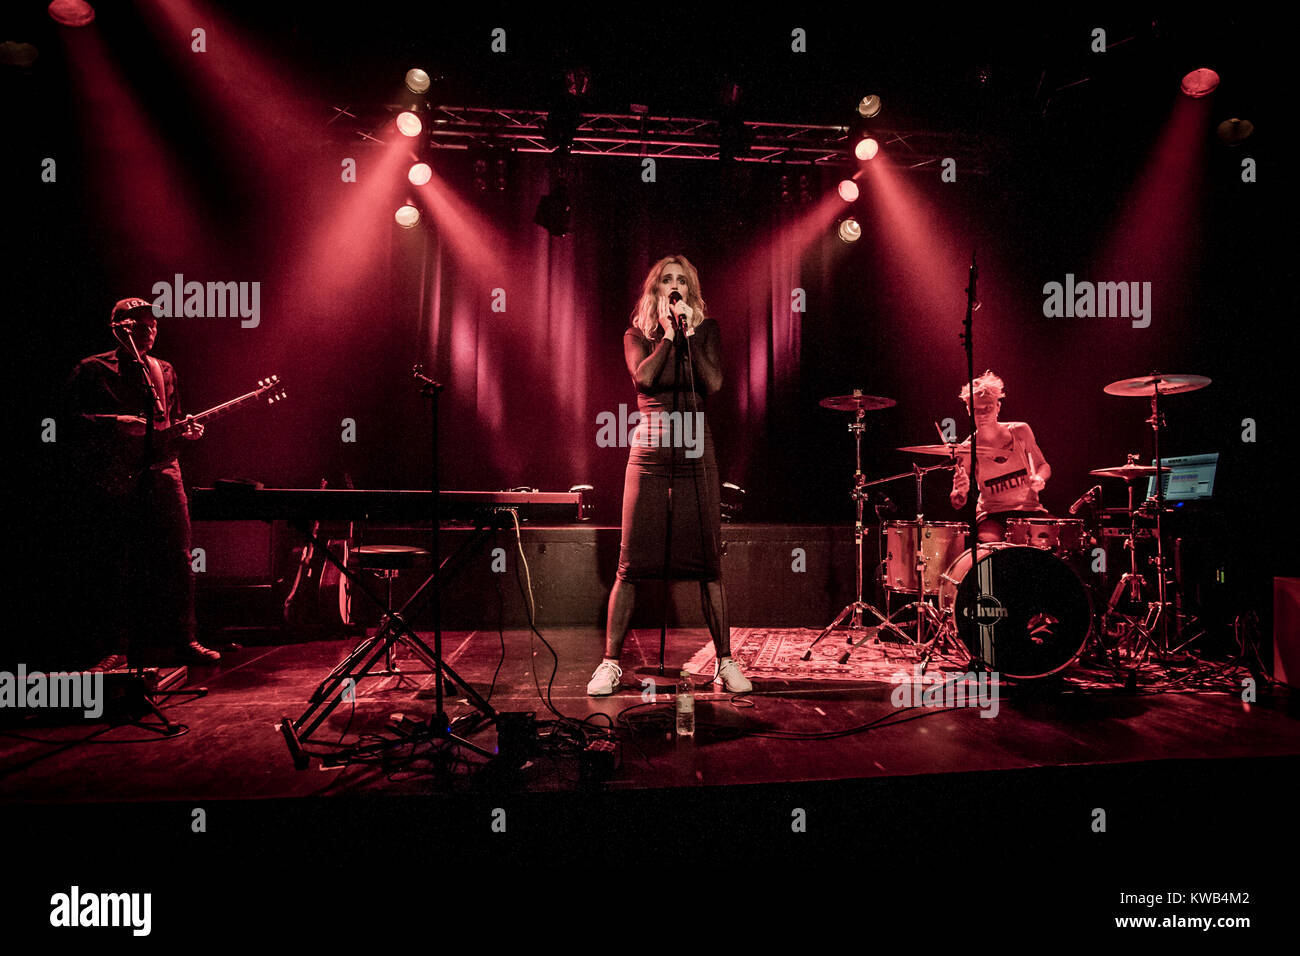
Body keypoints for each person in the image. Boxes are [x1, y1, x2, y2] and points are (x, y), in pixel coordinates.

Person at [587, 256, 751, 696]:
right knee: (630, 562)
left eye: (681, 280)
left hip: (697, 447)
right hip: (651, 448)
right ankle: (610, 664)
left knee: (708, 564)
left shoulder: (707, 330)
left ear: (690, 291)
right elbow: (644, 379)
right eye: (667, 279)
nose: (673, 285)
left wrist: (689, 335)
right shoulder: (637, 334)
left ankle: (725, 662)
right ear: (656, 288)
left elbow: (713, 382)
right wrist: (667, 338)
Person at [65, 297, 221, 670]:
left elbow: (172, 424)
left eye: (152, 324)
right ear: (119, 327)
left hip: (164, 470)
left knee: (179, 558)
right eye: (139, 325)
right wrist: (115, 422)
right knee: (116, 559)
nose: (149, 331)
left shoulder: (163, 369)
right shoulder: (91, 369)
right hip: (115, 474)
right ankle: (113, 647)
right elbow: (67, 423)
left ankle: (185, 639)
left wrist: (190, 433)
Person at [949, 370, 1052, 542]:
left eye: (988, 407)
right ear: (969, 410)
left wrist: (1040, 479)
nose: (982, 414)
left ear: (998, 406)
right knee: (992, 545)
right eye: (977, 410)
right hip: (992, 515)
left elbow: (1044, 466)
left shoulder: (1021, 431)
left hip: (1030, 510)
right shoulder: (967, 448)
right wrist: (961, 493)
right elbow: (956, 500)